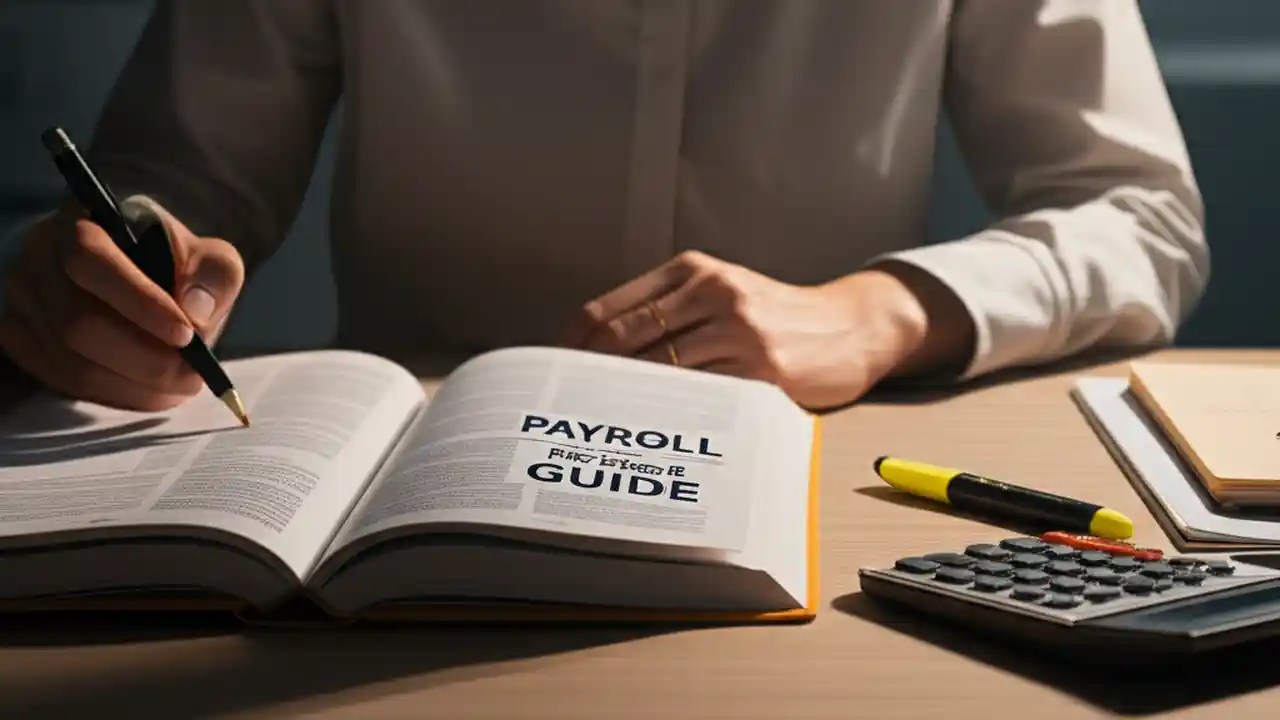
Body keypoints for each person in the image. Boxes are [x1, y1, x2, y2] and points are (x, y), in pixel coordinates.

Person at [0, 1, 1207, 412]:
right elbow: (179, 181)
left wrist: (880, 312)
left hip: (807, 477)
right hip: (394, 496)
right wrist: (122, 265)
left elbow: (1139, 211)